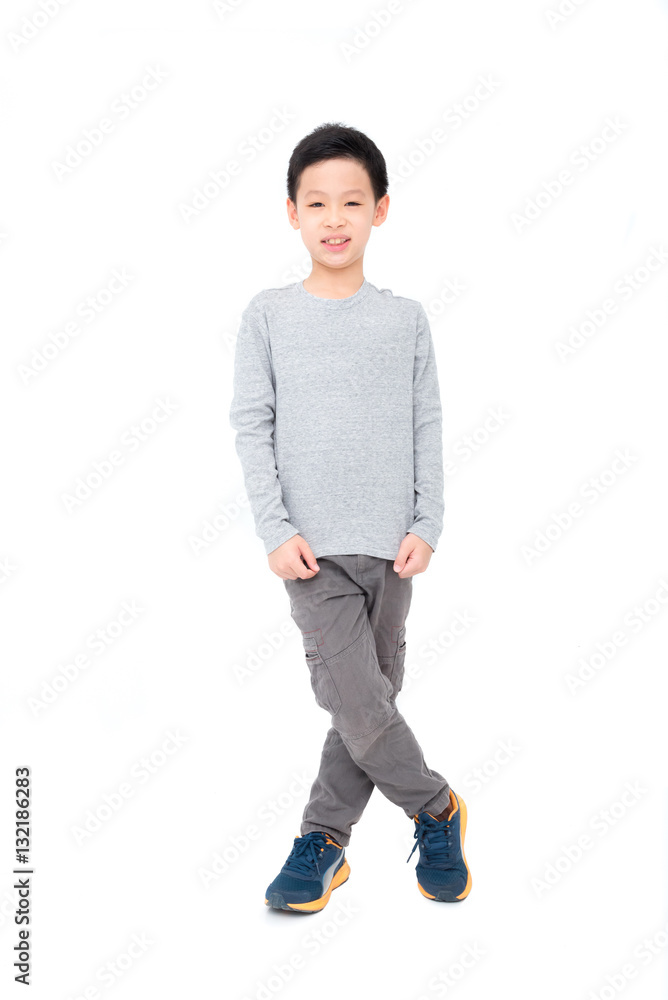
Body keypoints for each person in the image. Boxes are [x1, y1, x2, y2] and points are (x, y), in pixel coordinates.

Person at [229, 121, 472, 912]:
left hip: (392, 544)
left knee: (363, 703)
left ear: (382, 210)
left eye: (353, 202)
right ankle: (435, 807)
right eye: (318, 202)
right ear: (292, 214)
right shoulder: (268, 314)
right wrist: (275, 530)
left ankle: (324, 846)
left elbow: (427, 421)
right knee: (361, 700)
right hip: (312, 550)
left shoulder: (405, 320)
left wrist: (427, 522)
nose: (336, 218)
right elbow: (252, 423)